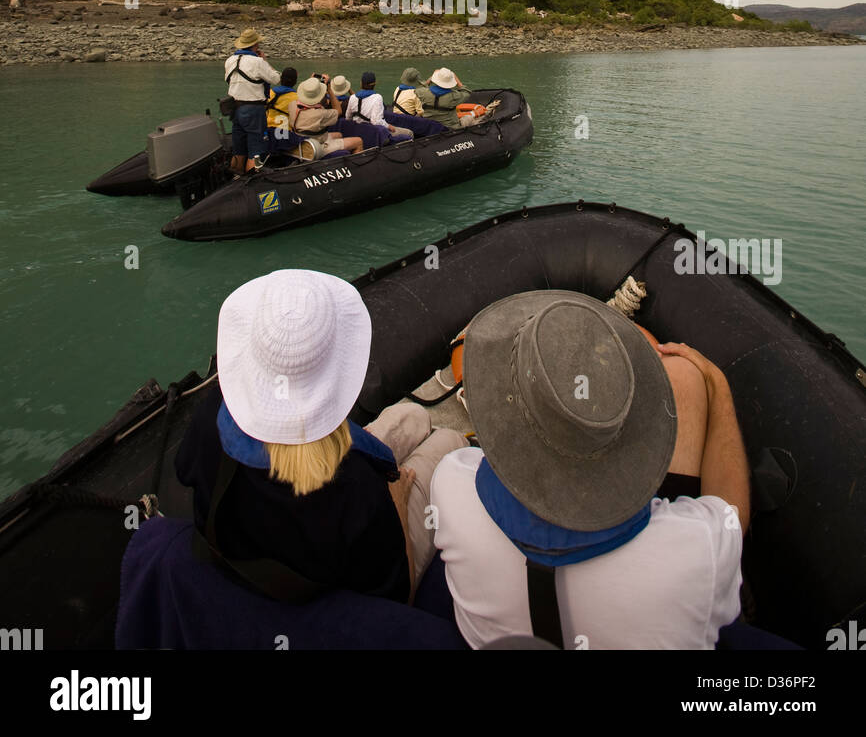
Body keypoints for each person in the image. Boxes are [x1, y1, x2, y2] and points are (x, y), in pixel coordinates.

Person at [430, 291, 748, 650]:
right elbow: (731, 518)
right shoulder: (694, 555)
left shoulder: (452, 482)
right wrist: (719, 387)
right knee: (686, 376)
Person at [175, 269, 466, 602]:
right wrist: (397, 502)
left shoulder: (211, 415)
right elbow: (394, 591)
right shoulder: (358, 489)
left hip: (312, 485)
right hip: (359, 530)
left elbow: (186, 470)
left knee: (412, 416)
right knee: (450, 441)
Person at [224, 29, 282, 174]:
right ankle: (252, 180)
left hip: (235, 109)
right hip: (254, 109)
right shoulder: (257, 62)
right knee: (256, 151)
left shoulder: (230, 60)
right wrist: (264, 61)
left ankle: (234, 178)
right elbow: (276, 79)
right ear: (255, 45)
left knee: (238, 149)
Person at [288, 75, 364, 159]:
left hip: (299, 141)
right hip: (317, 147)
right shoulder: (321, 113)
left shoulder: (292, 105)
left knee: (339, 134)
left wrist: (311, 82)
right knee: (358, 141)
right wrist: (329, 90)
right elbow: (338, 111)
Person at [346, 71, 413, 142]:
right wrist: (388, 126)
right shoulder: (377, 97)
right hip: (373, 133)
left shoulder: (352, 98)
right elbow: (376, 121)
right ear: (374, 84)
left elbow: (348, 118)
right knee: (409, 133)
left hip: (358, 132)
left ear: (361, 83)